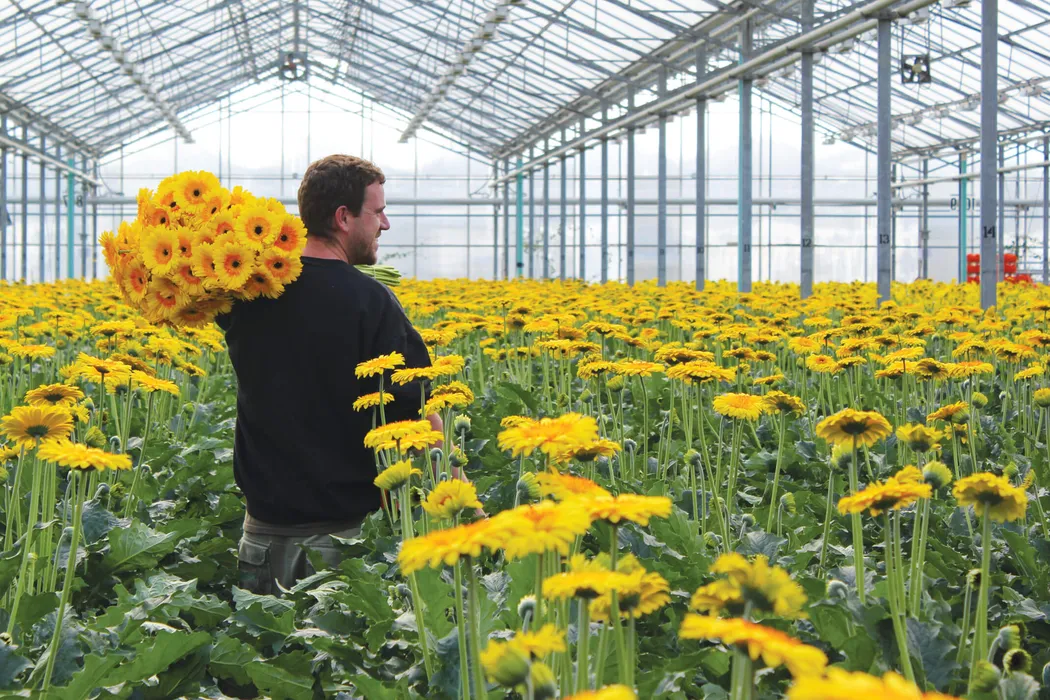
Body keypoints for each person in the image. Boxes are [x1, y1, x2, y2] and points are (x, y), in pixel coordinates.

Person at [217, 155, 439, 594]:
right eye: (377, 212)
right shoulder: (372, 303)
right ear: (343, 218)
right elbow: (422, 417)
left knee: (260, 653)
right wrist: (468, 510)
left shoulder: (246, 294)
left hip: (260, 541)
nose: (386, 224)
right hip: (344, 549)